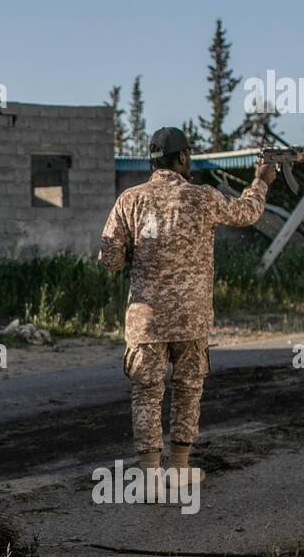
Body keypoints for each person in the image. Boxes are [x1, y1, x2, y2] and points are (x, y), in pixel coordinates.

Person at [98, 127, 275, 491]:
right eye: (188, 156)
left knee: (147, 393)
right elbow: (248, 213)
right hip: (191, 320)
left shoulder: (129, 200)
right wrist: (260, 181)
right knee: (187, 388)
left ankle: (149, 479)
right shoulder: (203, 198)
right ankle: (179, 470)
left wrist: (137, 253)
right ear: (181, 158)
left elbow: (110, 260)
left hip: (146, 321)